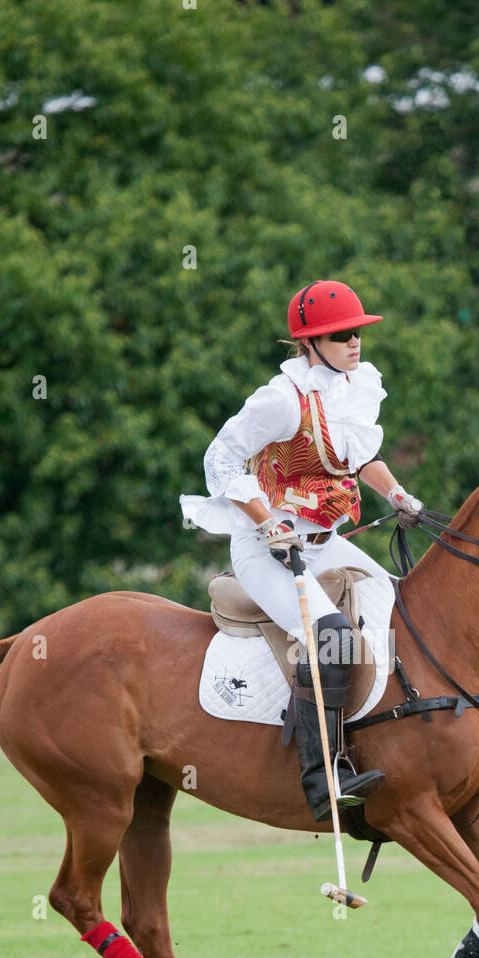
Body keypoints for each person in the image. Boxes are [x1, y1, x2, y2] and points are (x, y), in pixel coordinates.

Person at [180, 278, 423, 821]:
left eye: (357, 333)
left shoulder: (356, 385)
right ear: (310, 344)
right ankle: (324, 775)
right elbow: (219, 459)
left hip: (324, 542)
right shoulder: (279, 399)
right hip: (265, 549)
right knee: (332, 634)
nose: (354, 343)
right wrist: (265, 523)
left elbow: (362, 459)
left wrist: (398, 494)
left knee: (404, 601)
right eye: (340, 336)